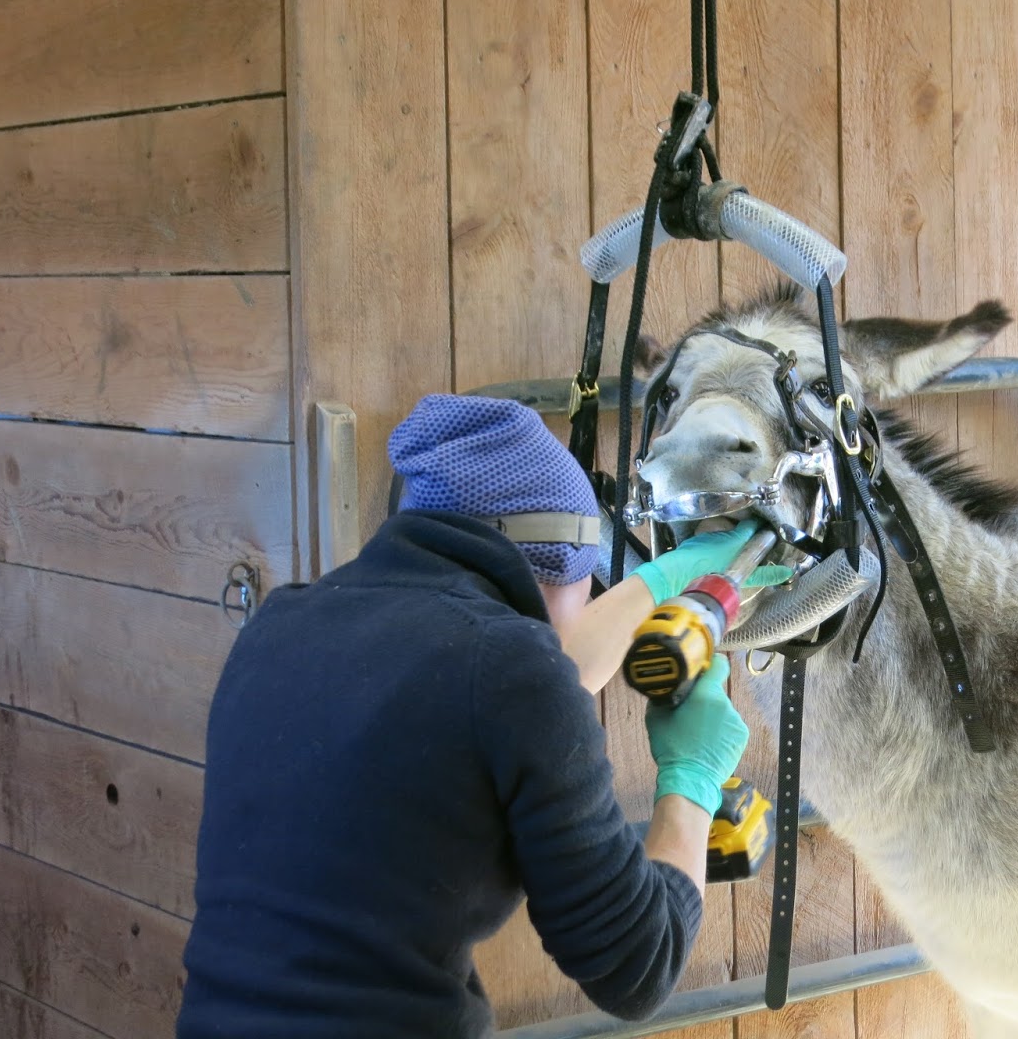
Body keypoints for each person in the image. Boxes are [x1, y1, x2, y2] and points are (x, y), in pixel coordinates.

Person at [177, 394, 778, 1037]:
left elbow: (517, 673)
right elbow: (639, 966)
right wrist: (691, 780)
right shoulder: (511, 672)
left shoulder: (281, 626)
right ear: (555, 558)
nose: (588, 600)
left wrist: (662, 581)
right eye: (589, 577)